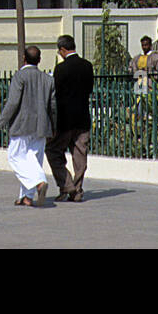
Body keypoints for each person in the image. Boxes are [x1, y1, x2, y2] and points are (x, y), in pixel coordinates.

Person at [0, 45, 57, 207]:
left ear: (24, 58)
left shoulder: (19, 77)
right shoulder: (48, 79)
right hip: (41, 126)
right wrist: (53, 127)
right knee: (32, 160)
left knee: (15, 157)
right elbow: (53, 106)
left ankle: (39, 183)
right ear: (40, 60)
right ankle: (26, 197)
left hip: (22, 125)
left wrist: (0, 122)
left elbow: (13, 102)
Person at [47, 34, 93, 202]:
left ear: (63, 50)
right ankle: (78, 189)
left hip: (65, 120)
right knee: (80, 154)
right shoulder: (87, 66)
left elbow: (55, 95)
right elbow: (89, 89)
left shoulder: (60, 69)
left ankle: (67, 185)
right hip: (83, 118)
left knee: (53, 151)